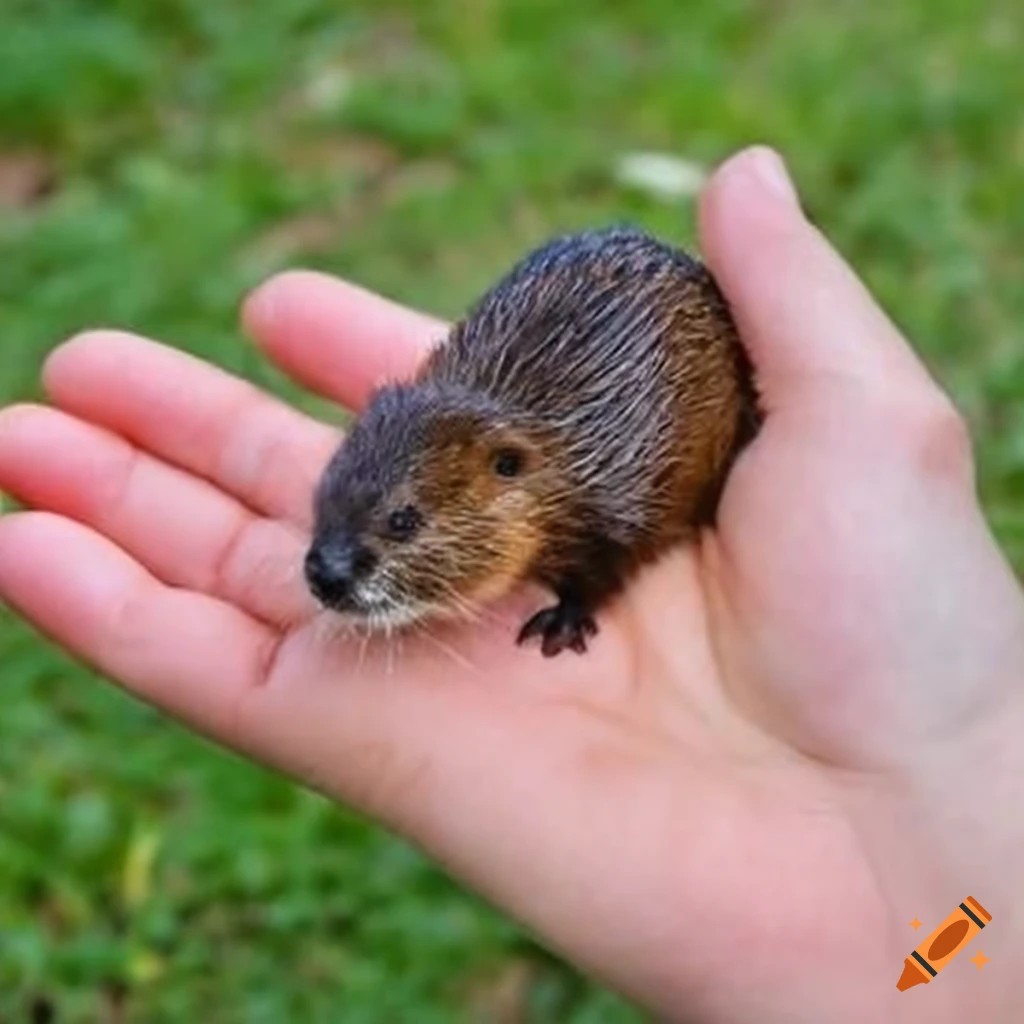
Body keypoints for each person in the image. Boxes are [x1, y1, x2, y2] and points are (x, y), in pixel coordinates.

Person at [0, 147, 1020, 1023]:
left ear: (507, 477)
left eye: (395, 530)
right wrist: (945, 946)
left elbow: (614, 520)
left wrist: (948, 832)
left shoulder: (588, 496)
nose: (337, 563)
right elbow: (946, 953)